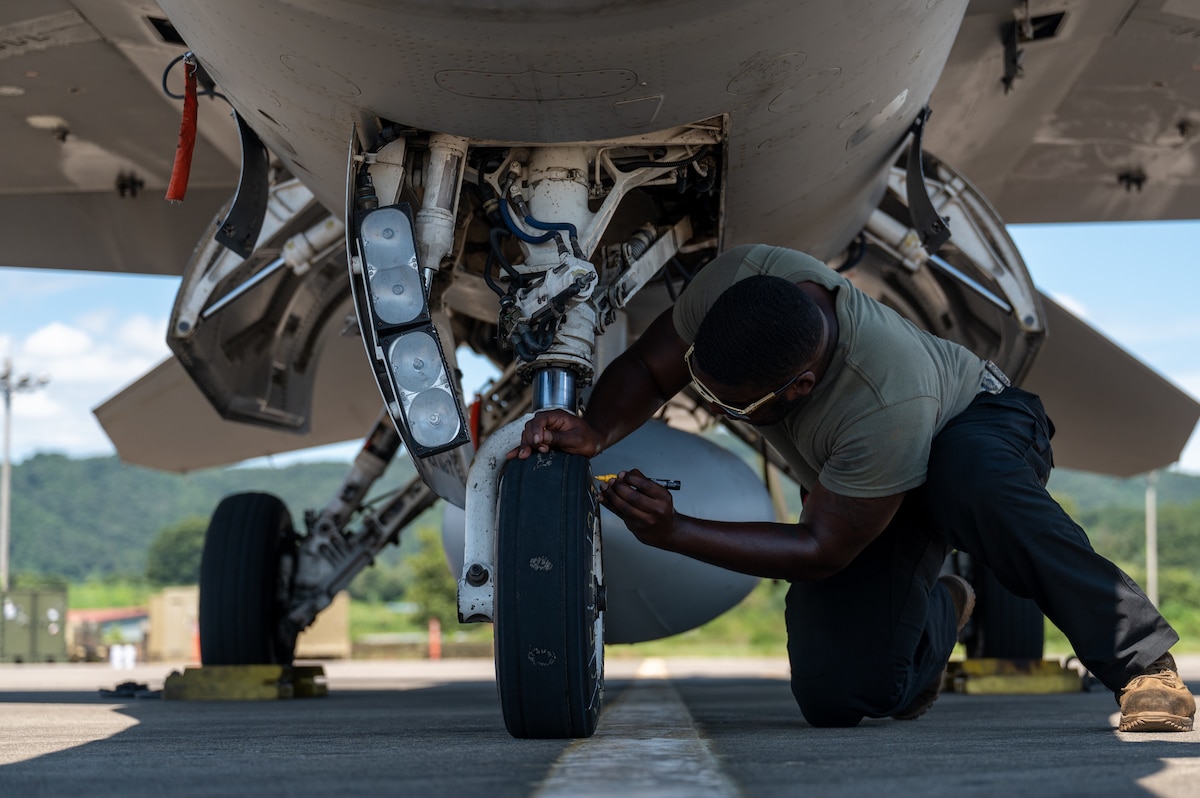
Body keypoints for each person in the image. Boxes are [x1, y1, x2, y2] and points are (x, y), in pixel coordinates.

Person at [507, 243, 1195, 732]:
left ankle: (1143, 667)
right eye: (706, 390)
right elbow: (654, 372)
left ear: (801, 386)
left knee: (974, 483)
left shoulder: (881, 404)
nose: (714, 412)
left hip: (972, 425)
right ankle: (940, 611)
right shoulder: (741, 284)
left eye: (735, 408)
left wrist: (675, 531)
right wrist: (594, 430)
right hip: (861, 485)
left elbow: (820, 549)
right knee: (837, 697)